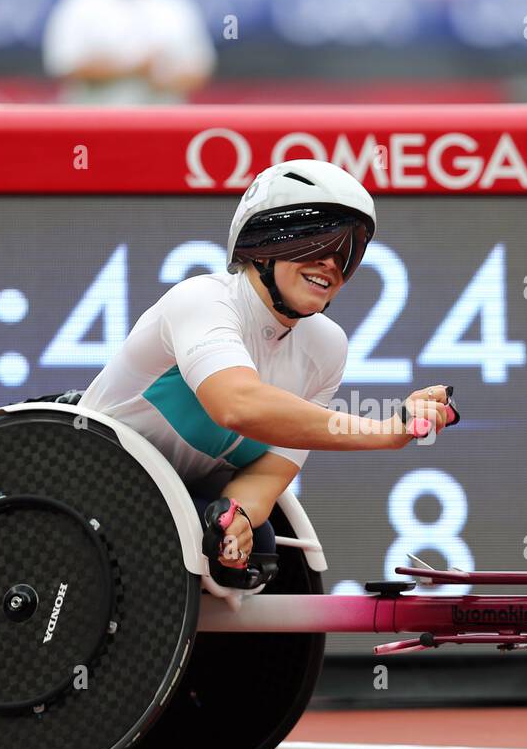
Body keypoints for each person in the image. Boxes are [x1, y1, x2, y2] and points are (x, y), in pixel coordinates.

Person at [78, 159, 453, 580]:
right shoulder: (203, 300)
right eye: (315, 240)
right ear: (262, 242)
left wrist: (234, 513)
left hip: (164, 498)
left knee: (257, 542)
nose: (332, 263)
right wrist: (385, 431)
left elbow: (269, 473)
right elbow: (237, 405)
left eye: (348, 251)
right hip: (82, 483)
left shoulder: (327, 347)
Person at [41, 0, 216, 105]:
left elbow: (200, 69)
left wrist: (163, 77)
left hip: (160, 126)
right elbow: (64, 65)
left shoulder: (174, 3)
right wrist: (133, 68)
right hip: (94, 125)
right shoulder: (81, 1)